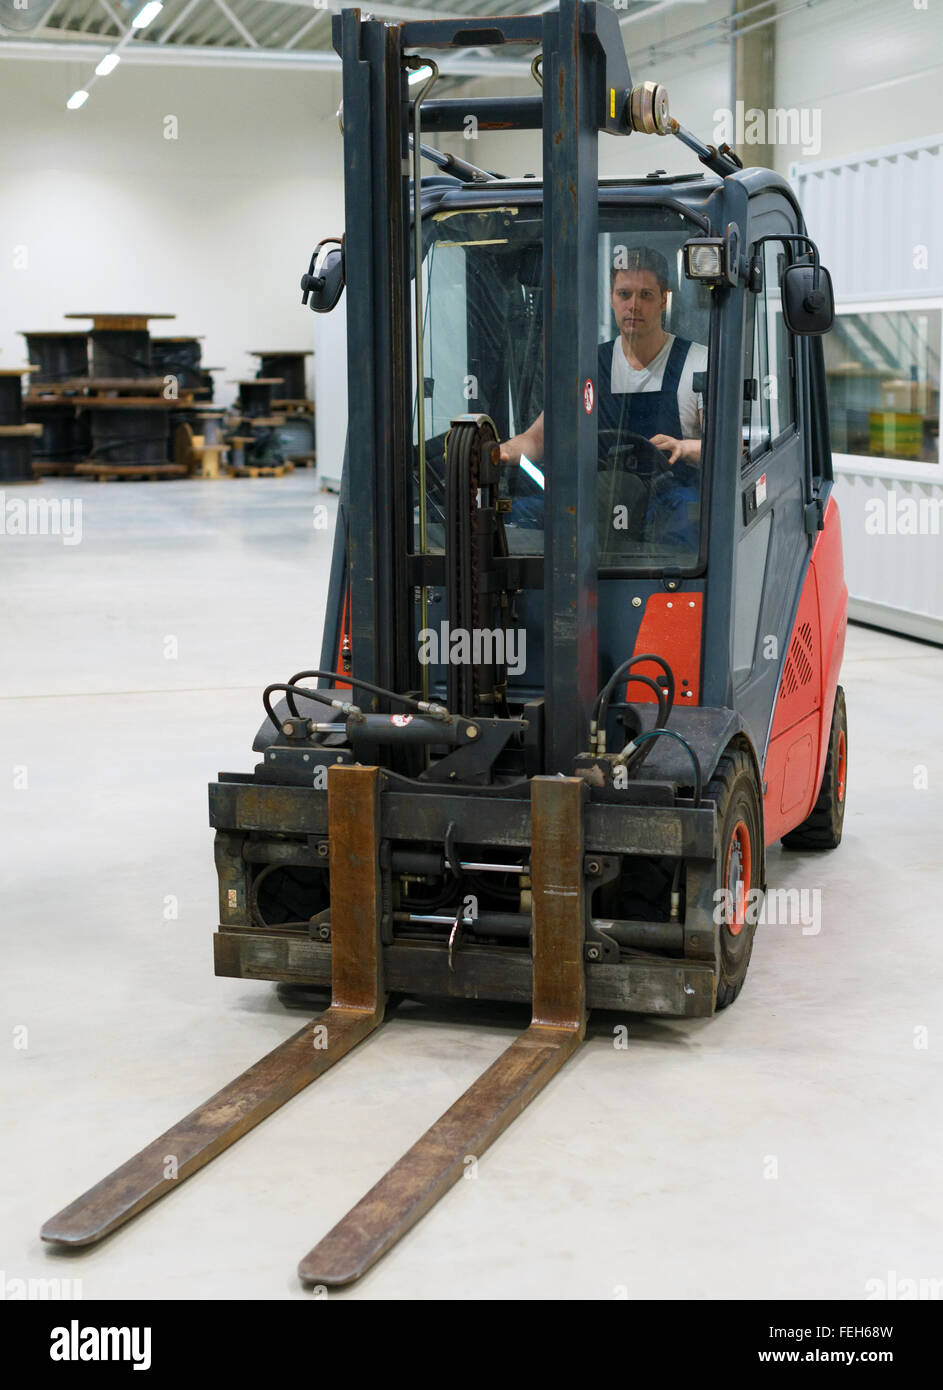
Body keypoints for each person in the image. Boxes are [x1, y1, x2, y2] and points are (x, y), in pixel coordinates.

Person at [499, 246, 707, 551]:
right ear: (611, 297)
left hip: (667, 500)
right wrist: (496, 452)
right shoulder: (589, 366)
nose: (633, 305)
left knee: (689, 519)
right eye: (624, 294)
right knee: (513, 517)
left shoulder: (697, 362)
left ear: (664, 299)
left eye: (645, 295)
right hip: (594, 498)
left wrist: (684, 446)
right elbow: (537, 441)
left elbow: (731, 451)